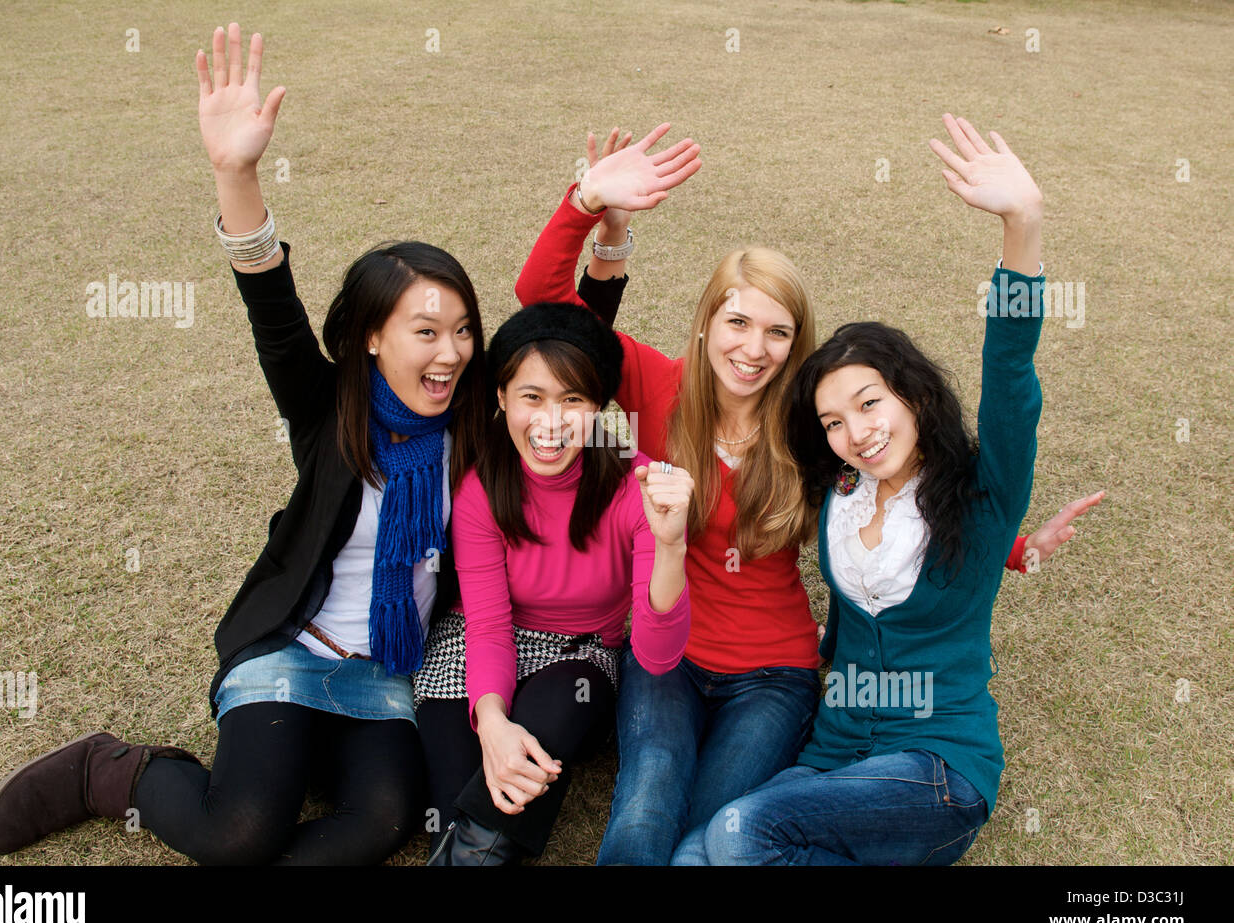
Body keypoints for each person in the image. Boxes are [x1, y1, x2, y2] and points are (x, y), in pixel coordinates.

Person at [515, 124, 1101, 865]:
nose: (752, 348)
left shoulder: (813, 432)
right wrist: (590, 205)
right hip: (668, 650)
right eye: (736, 322)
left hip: (775, 670)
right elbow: (544, 309)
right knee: (642, 811)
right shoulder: (655, 390)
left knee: (710, 828)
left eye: (777, 332)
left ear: (797, 343)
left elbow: (926, 485)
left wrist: (1008, 542)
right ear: (704, 325)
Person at [0, 23, 487, 865]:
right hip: (293, 649)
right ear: (368, 337)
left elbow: (559, 363)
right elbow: (273, 308)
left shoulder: (475, 427)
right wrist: (236, 172)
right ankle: (114, 771)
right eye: (426, 331)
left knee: (383, 823)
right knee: (237, 833)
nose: (452, 352)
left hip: (388, 678)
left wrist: (600, 225)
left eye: (464, 330)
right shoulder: (330, 407)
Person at [673, 114, 1070, 865]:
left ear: (912, 396)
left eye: (868, 402)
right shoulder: (840, 496)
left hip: (934, 768)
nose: (854, 431)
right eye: (831, 420)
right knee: (697, 850)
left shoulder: (980, 496)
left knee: (737, 832)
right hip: (834, 752)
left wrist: (1024, 225)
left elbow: (1011, 373)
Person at [415, 302, 695, 864]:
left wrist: (671, 546)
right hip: (477, 643)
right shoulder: (481, 486)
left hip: (576, 659)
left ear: (597, 407)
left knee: (519, 770)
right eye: (532, 397)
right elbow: (489, 624)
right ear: (501, 398)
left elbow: (658, 656)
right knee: (454, 814)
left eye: (572, 400)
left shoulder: (632, 483)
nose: (551, 422)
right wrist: (491, 722)